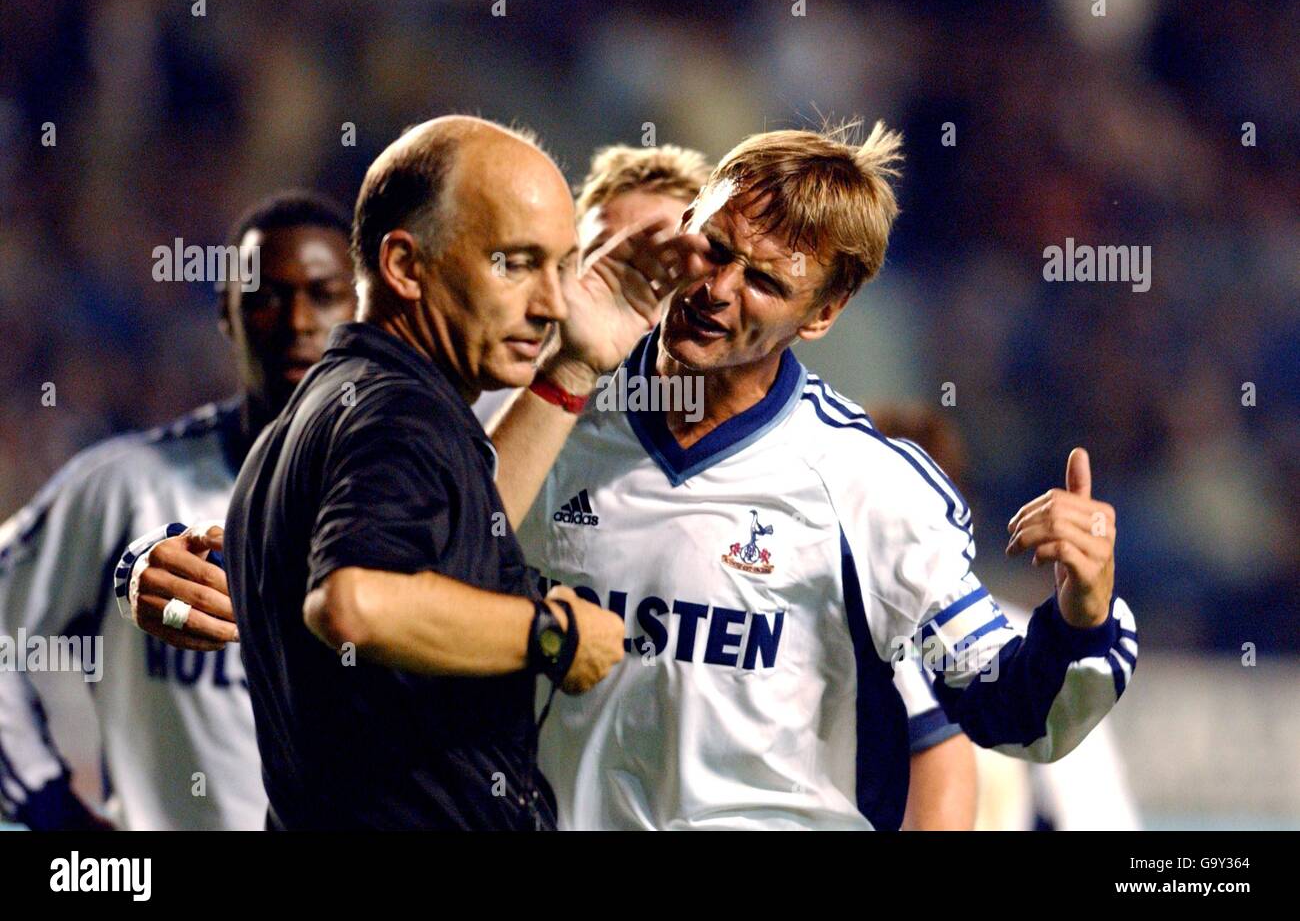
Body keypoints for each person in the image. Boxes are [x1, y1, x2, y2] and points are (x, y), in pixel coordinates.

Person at [123, 139, 978, 830]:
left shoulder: (837, 491)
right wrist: (157, 566)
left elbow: (937, 742)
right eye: (573, 263)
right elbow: (351, 534)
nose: (582, 297)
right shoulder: (507, 398)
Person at [488, 120, 1138, 829]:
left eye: (765, 281)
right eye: (714, 248)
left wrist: (1084, 612)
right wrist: (565, 374)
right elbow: (424, 591)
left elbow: (1015, 715)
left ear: (823, 314)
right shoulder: (547, 418)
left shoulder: (871, 487)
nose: (718, 289)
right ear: (686, 224)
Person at [221, 116, 630, 830]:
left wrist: (572, 372)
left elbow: (440, 552)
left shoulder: (326, 407)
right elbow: (354, 604)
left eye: (562, 267)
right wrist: (553, 633)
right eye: (515, 262)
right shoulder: (399, 415)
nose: (553, 305)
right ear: (406, 266)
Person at [0, 191, 357, 829]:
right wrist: (48, 806)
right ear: (227, 314)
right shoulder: (126, 490)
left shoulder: (413, 498)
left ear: (363, 315)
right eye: (267, 296)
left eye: (325, 294)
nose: (299, 319)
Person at [867, 402, 1141, 831]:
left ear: (955, 516)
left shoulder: (1023, 656)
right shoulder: (813, 633)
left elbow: (1096, 818)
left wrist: (1083, 622)